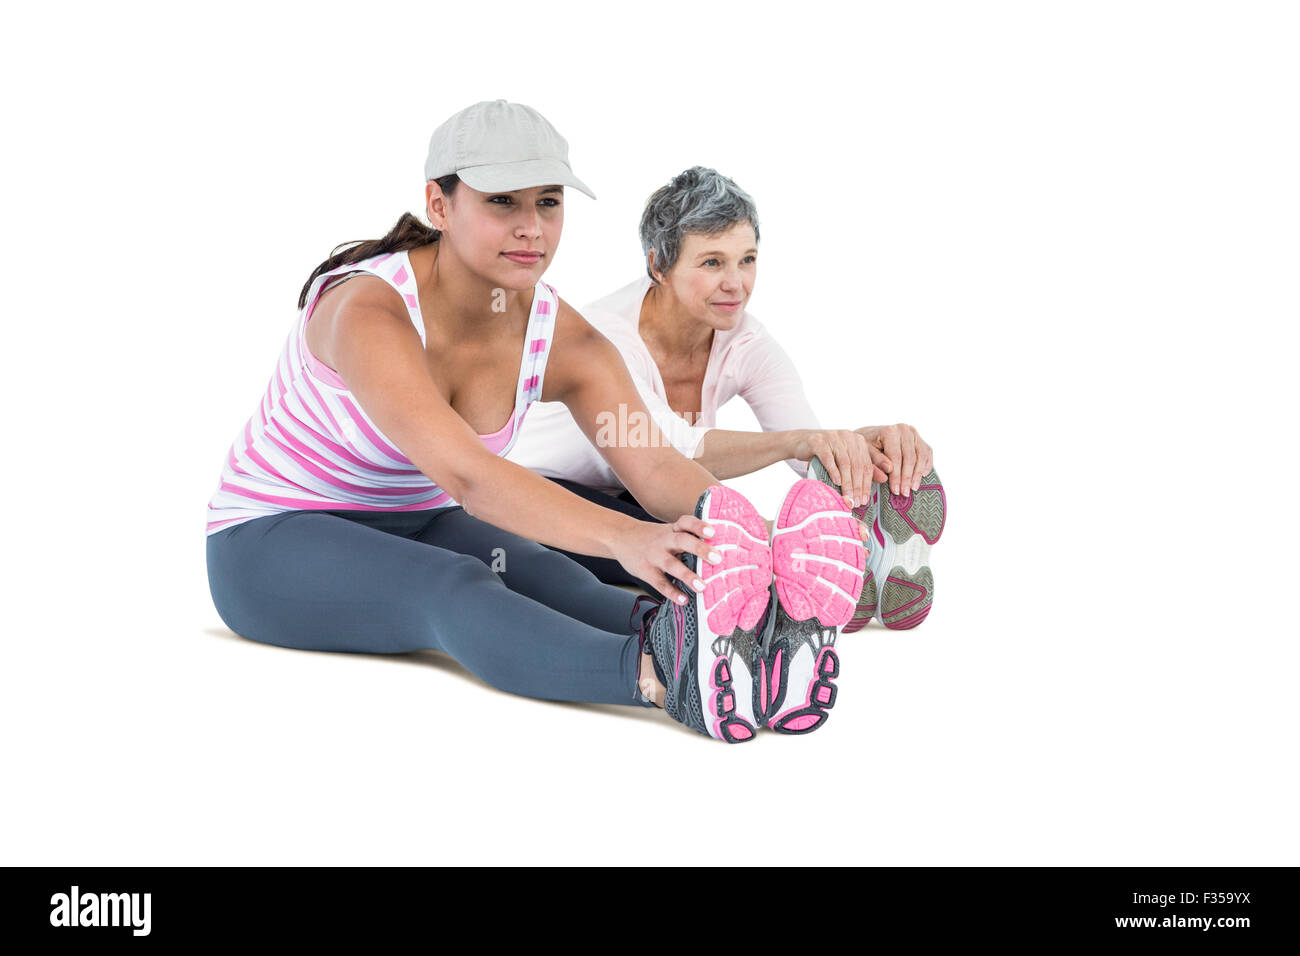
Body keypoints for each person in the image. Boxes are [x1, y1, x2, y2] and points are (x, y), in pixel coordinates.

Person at [203, 101, 864, 742]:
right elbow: (471, 478)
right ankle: (669, 676)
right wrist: (629, 537)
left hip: (417, 518)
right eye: (503, 202)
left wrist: (735, 535)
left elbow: (653, 462)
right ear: (439, 204)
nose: (533, 228)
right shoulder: (369, 312)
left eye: (548, 202)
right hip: (272, 541)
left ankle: (738, 642)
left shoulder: (559, 334)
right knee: (454, 585)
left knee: (554, 576)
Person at [506, 166, 945, 631]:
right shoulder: (603, 336)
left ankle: (866, 555)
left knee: (707, 534)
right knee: (704, 550)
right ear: (658, 265)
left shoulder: (745, 340)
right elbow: (667, 447)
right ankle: (808, 565)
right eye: (712, 262)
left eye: (747, 259)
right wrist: (800, 444)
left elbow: (806, 451)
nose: (736, 283)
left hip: (641, 494)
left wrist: (868, 450)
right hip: (545, 494)